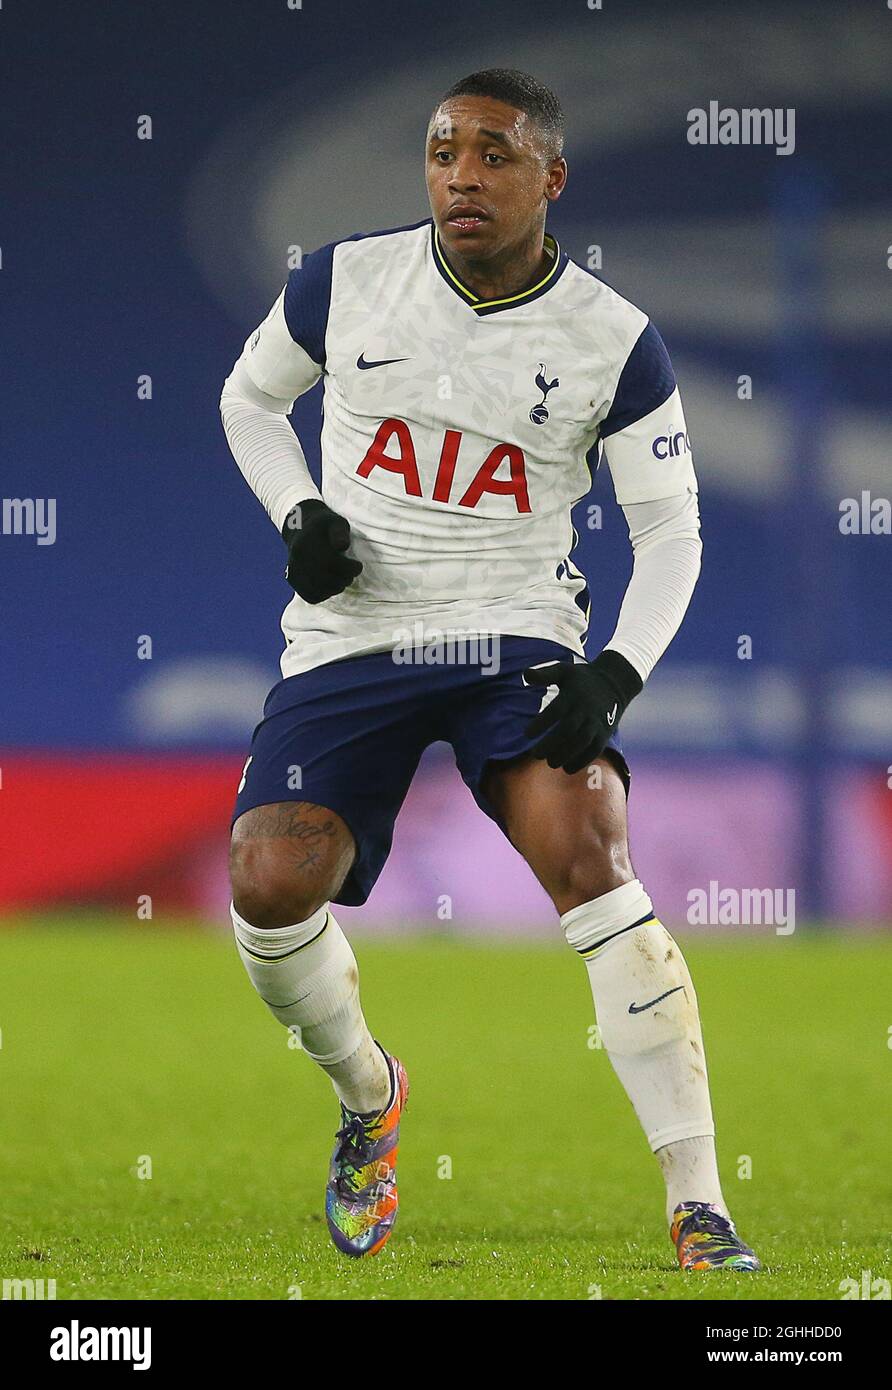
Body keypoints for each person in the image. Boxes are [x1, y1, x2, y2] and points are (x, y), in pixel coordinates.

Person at [220, 66, 760, 1272]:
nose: (462, 176)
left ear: (550, 177)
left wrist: (616, 669)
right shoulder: (344, 281)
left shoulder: (614, 341)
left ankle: (698, 1201)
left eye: (493, 156)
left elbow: (671, 530)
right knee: (266, 883)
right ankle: (370, 1097)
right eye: (442, 152)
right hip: (354, 632)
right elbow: (250, 402)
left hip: (513, 636)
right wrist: (299, 511)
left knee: (592, 853)